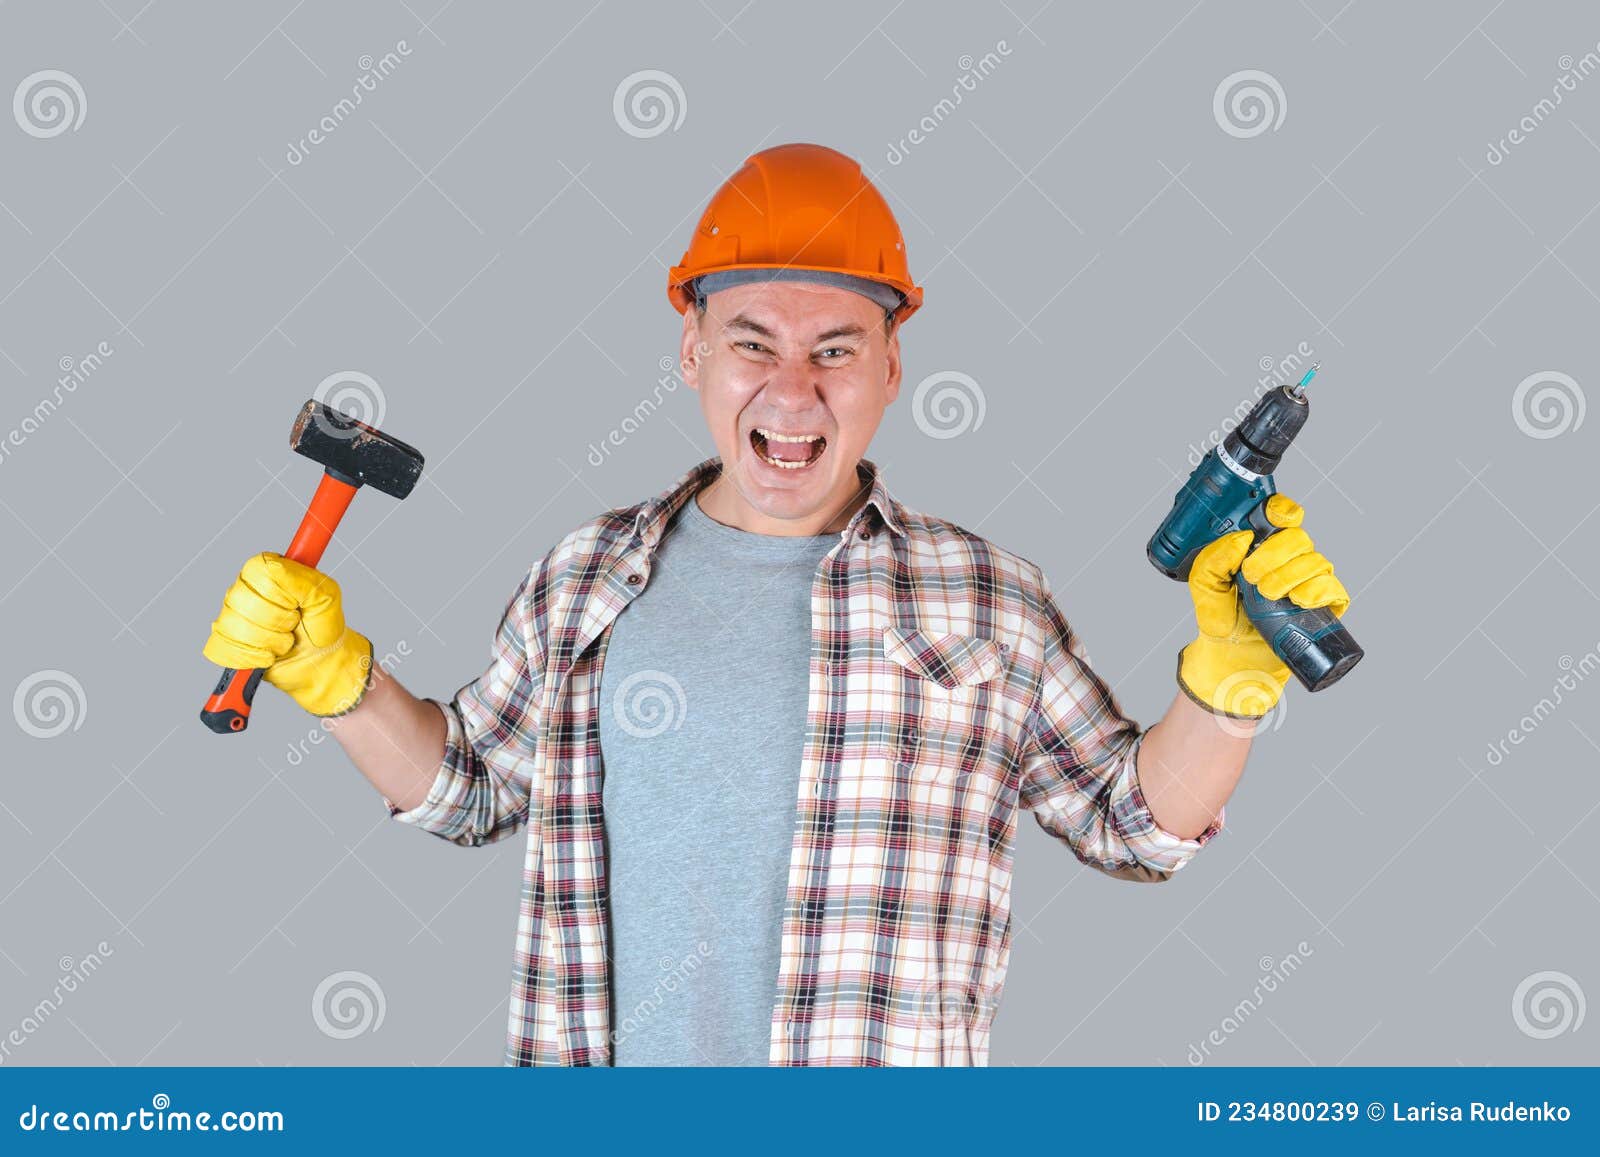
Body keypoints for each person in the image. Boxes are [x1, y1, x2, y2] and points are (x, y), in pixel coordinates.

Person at [202, 142, 1351, 1067]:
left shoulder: (985, 595)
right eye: (751, 342)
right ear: (690, 349)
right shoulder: (584, 575)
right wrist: (339, 679)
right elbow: (472, 789)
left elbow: (1129, 825)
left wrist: (1226, 686)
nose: (791, 390)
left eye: (836, 349)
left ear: (892, 368)